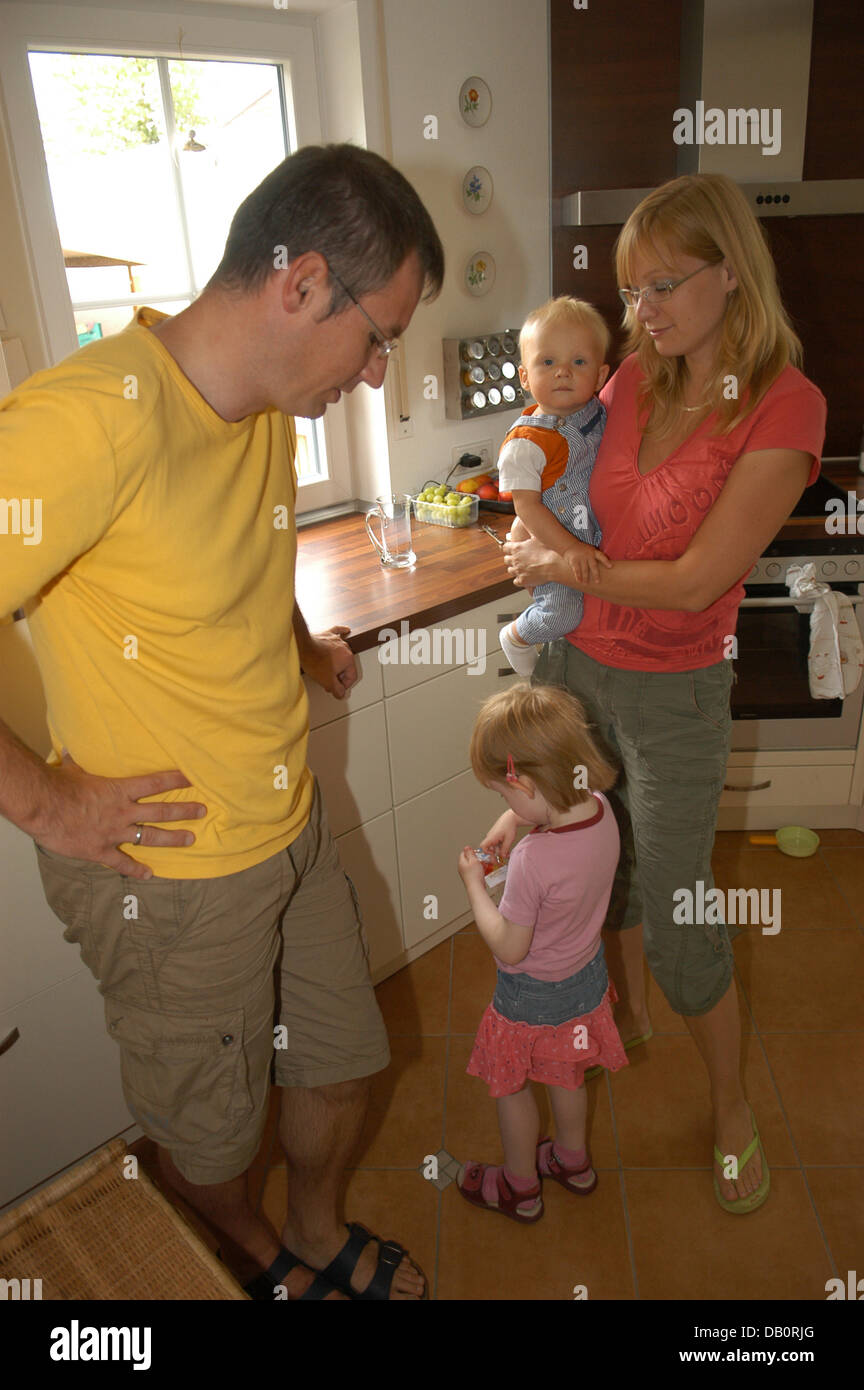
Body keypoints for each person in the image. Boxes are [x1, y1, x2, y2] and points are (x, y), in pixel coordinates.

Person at [0, 142, 445, 1299]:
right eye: (378, 336)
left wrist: (304, 645)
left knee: (342, 1064)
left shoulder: (259, 410)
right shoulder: (90, 421)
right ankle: (251, 1254)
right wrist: (45, 800)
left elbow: (245, 557)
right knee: (207, 1137)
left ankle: (306, 1226)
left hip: (287, 829)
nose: (377, 372)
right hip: (173, 875)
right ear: (300, 284)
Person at [501, 172, 827, 1214]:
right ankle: (626, 1016)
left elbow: (695, 578)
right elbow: (564, 459)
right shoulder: (633, 376)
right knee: (593, 871)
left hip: (674, 688)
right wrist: (529, 498)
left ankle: (732, 1107)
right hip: (573, 667)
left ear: (731, 272)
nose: (642, 311)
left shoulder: (786, 402)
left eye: (663, 286)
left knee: (682, 906)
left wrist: (556, 567)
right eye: (633, 289)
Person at [455, 681, 628, 1221]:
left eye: (504, 795)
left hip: (529, 994)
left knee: (511, 1087)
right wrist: (514, 819)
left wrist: (474, 889)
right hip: (585, 980)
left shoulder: (533, 861)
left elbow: (509, 941)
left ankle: (520, 1187)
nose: (504, 808)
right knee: (566, 1074)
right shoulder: (602, 810)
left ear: (527, 782)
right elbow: (542, 810)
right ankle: (573, 1162)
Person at [497, 297, 612, 678]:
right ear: (525, 377)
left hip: (586, 536)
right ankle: (517, 636)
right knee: (563, 614)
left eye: (578, 362)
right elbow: (527, 509)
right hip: (554, 542)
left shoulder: (600, 413)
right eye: (548, 362)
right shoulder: (525, 443)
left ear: (599, 376)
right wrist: (569, 549)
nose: (563, 372)